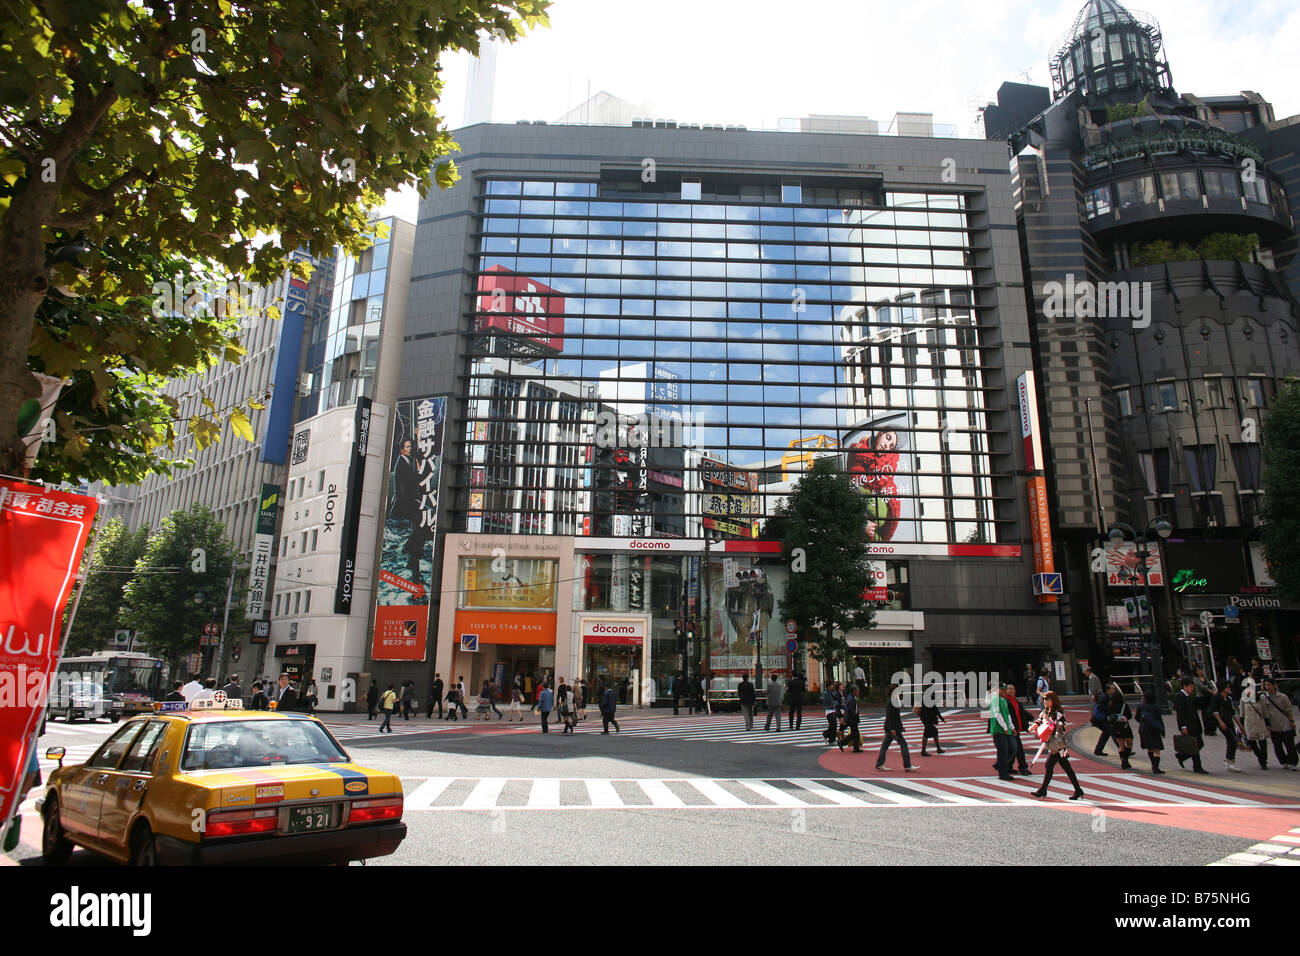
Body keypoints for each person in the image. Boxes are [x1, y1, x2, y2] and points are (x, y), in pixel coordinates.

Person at [1030, 691, 1084, 799]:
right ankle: (1078, 790)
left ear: (1053, 700)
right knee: (1066, 767)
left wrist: (1050, 722)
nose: (1045, 701)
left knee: (1049, 765)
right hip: (1051, 743)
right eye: (1044, 699)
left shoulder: (1058, 712)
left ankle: (1043, 790)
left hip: (1058, 743)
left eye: (1047, 699)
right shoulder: (1045, 711)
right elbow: (1039, 720)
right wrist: (1033, 726)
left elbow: (1061, 725)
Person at [876, 684, 917, 771]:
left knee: (885, 746)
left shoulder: (892, 700)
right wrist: (893, 729)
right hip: (893, 728)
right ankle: (907, 765)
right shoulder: (893, 701)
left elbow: (895, 716)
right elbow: (891, 716)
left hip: (890, 727)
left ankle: (880, 764)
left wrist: (900, 726)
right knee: (903, 745)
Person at [1173, 677, 1208, 774]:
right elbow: (1181, 713)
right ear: (1184, 686)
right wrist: (1183, 727)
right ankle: (1197, 766)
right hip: (1188, 725)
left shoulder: (1189, 696)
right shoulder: (1180, 697)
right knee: (1196, 744)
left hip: (1194, 725)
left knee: (1197, 744)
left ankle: (1182, 756)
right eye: (1191, 687)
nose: (1192, 689)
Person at [1261, 678, 1298, 769]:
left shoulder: (1282, 697)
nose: (1268, 687)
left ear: (1274, 685)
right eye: (1266, 685)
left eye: (1269, 685)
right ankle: (1283, 761)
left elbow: (1289, 710)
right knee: (1277, 746)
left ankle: (1293, 762)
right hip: (1274, 725)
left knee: (1289, 745)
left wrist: (1292, 721)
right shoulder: (1263, 698)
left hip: (1285, 724)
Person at [987, 682, 1016, 781]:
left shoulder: (1003, 700)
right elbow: (997, 714)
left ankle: (999, 765)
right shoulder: (995, 699)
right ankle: (1003, 772)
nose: (1004, 691)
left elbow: (1008, 715)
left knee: (1012, 749)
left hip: (1006, 729)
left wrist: (1011, 727)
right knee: (1003, 751)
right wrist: (1005, 728)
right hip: (998, 729)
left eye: (1004, 689)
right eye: (1002, 689)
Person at [1209, 683, 1241, 772]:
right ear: (1222, 688)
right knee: (1232, 741)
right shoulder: (1217, 697)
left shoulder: (1228, 698)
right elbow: (1215, 711)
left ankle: (1230, 760)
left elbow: (1233, 713)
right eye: (1227, 687)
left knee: (1233, 740)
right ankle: (1229, 761)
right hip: (1223, 722)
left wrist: (1240, 725)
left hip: (1229, 721)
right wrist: (1220, 722)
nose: (1229, 689)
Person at [1240, 678, 1270, 769]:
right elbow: (1242, 714)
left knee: (1262, 741)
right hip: (1249, 723)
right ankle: (1260, 757)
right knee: (1252, 742)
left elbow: (1265, 713)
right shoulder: (1243, 699)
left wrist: (1268, 724)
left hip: (1260, 722)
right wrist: (1241, 726)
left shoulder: (1260, 698)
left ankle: (1263, 760)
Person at [1003, 685, 1032, 775]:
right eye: (1009, 689)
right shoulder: (1005, 701)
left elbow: (1022, 712)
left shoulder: (1016, 701)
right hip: (1011, 729)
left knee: (1013, 749)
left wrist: (1031, 718)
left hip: (1016, 729)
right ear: (1006, 690)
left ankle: (1008, 767)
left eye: (1013, 689)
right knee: (1018, 750)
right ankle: (1023, 768)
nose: (1012, 690)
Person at [1106, 683, 1135, 770]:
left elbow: (1108, 715)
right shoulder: (1124, 706)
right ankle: (1125, 760)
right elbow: (1129, 716)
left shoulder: (1110, 706)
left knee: (1121, 746)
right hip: (1125, 727)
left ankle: (1123, 762)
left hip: (1115, 727)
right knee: (1129, 743)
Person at [1136, 691, 1165, 773]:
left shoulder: (1140, 707)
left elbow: (1137, 718)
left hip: (1143, 730)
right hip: (1153, 730)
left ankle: (1153, 764)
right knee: (1156, 749)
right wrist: (1162, 730)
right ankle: (1156, 767)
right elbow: (1159, 720)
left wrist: (1143, 722)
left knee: (1149, 748)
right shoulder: (1156, 708)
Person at [1192, 666, 1216, 736]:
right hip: (1201, 698)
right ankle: (1207, 730)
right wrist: (1211, 691)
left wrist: (1214, 689)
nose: (1200, 672)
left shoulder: (1204, 677)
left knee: (1211, 712)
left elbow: (1209, 684)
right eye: (1198, 670)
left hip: (1208, 696)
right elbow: (1202, 687)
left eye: (1201, 670)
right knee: (1205, 713)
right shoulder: (1195, 679)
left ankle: (1212, 729)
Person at [841, 684, 862, 752]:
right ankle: (842, 743)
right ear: (854, 691)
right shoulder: (852, 699)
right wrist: (854, 718)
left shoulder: (850, 697)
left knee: (855, 734)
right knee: (855, 734)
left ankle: (855, 748)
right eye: (857, 691)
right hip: (852, 719)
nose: (858, 692)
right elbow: (852, 711)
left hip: (850, 719)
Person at [822, 682, 841, 747]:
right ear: (829, 686)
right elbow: (831, 702)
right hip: (828, 711)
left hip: (833, 710)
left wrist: (834, 704)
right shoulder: (826, 693)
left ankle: (832, 740)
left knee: (834, 725)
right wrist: (833, 704)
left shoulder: (832, 692)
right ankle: (825, 734)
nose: (833, 686)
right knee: (832, 724)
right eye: (832, 685)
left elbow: (835, 701)